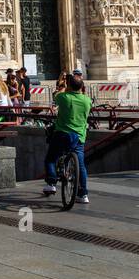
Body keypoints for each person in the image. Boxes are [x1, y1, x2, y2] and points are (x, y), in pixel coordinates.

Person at [42, 73, 92, 204]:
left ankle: (51, 183)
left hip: (62, 134)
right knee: (81, 166)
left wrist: (65, 87)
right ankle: (83, 194)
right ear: (82, 87)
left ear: (69, 86)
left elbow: (55, 96)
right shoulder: (87, 100)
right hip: (79, 137)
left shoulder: (63, 97)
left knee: (51, 159)